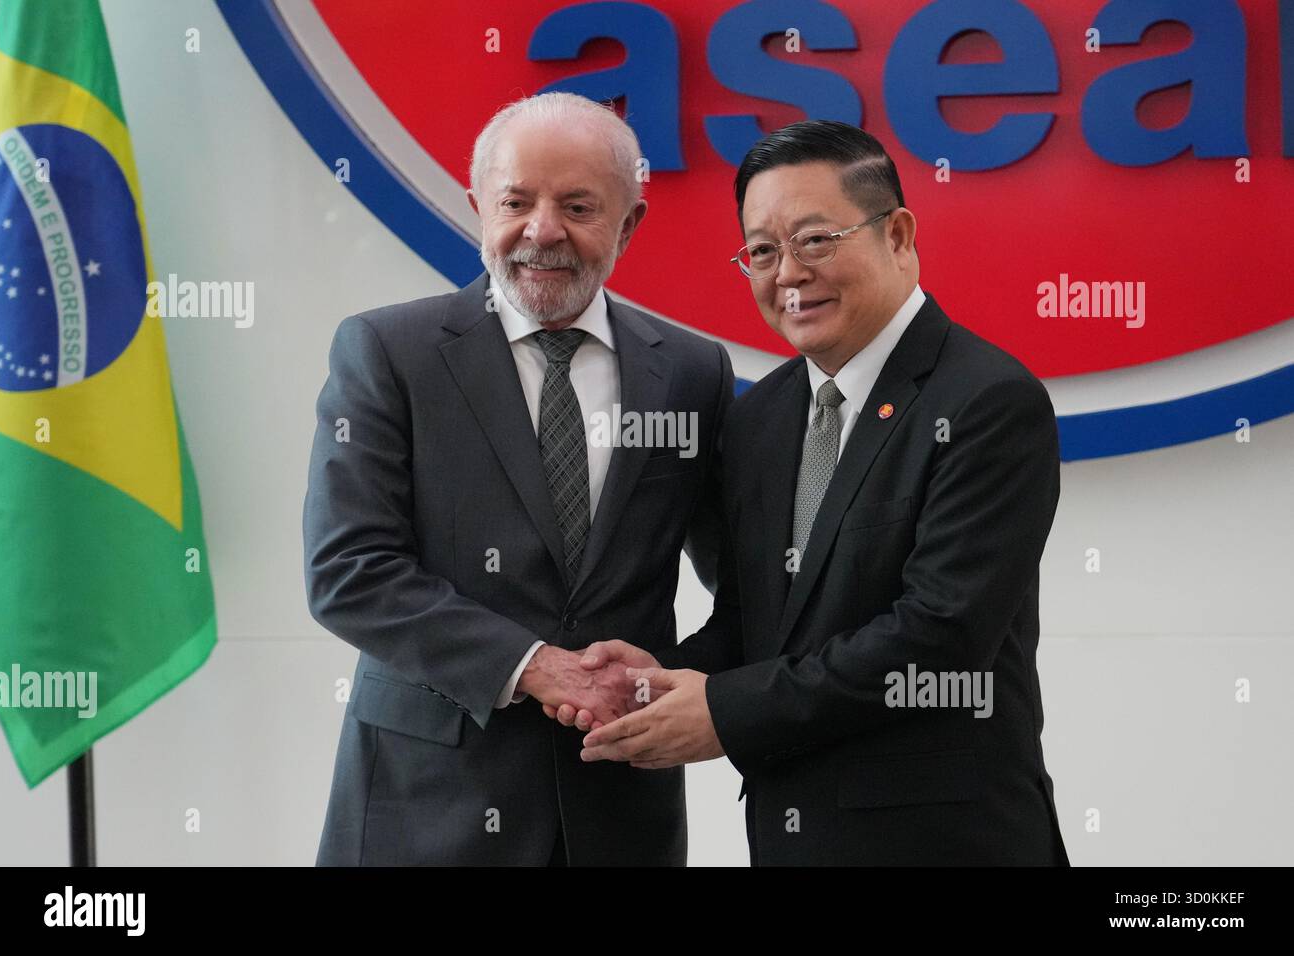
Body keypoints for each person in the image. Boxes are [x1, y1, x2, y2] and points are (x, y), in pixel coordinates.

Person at [568, 120, 1068, 866]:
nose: (788, 274)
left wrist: (725, 714)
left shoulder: (988, 401)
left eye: (815, 240)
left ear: (897, 234)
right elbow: (755, 625)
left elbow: (939, 637)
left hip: (948, 843)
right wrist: (654, 681)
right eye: (763, 251)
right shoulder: (759, 417)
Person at [303, 92, 732, 865]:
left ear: (628, 223)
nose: (543, 230)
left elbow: (744, 580)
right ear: (477, 209)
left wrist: (681, 681)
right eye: (516, 201)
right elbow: (348, 572)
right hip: (427, 806)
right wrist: (537, 667)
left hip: (620, 809)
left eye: (578, 205)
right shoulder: (389, 352)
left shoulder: (693, 372)